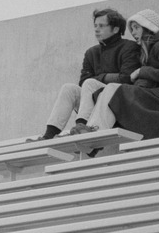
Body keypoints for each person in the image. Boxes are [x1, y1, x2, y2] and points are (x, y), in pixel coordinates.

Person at [28, 7, 141, 141]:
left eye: (101, 26)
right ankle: (49, 135)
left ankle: (81, 127)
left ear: (115, 29)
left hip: (116, 106)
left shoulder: (130, 47)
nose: (96, 29)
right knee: (69, 88)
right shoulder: (91, 52)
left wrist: (99, 78)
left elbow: (126, 78)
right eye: (95, 26)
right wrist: (105, 77)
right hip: (93, 104)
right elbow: (82, 81)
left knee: (90, 82)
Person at [84, 7, 159, 142]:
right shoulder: (148, 49)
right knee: (112, 90)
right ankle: (92, 134)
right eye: (131, 29)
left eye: (136, 28)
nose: (133, 33)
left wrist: (140, 71)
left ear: (147, 27)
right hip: (157, 95)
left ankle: (95, 134)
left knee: (114, 89)